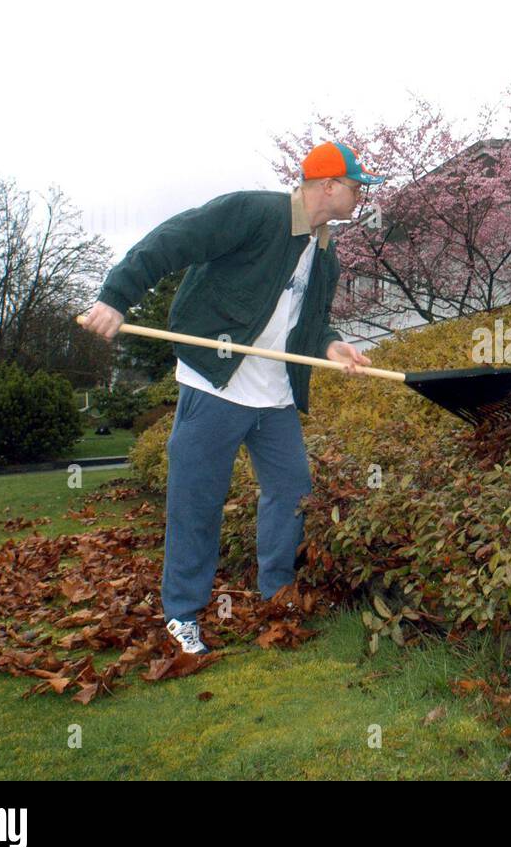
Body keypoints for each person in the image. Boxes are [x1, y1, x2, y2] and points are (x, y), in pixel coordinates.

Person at [80, 142, 382, 654]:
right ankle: (182, 614)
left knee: (291, 495)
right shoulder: (253, 213)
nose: (359, 196)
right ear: (328, 185)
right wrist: (115, 296)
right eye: (355, 186)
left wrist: (330, 344)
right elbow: (173, 238)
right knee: (197, 502)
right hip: (214, 388)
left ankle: (277, 596)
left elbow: (307, 324)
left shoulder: (325, 253)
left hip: (275, 397)